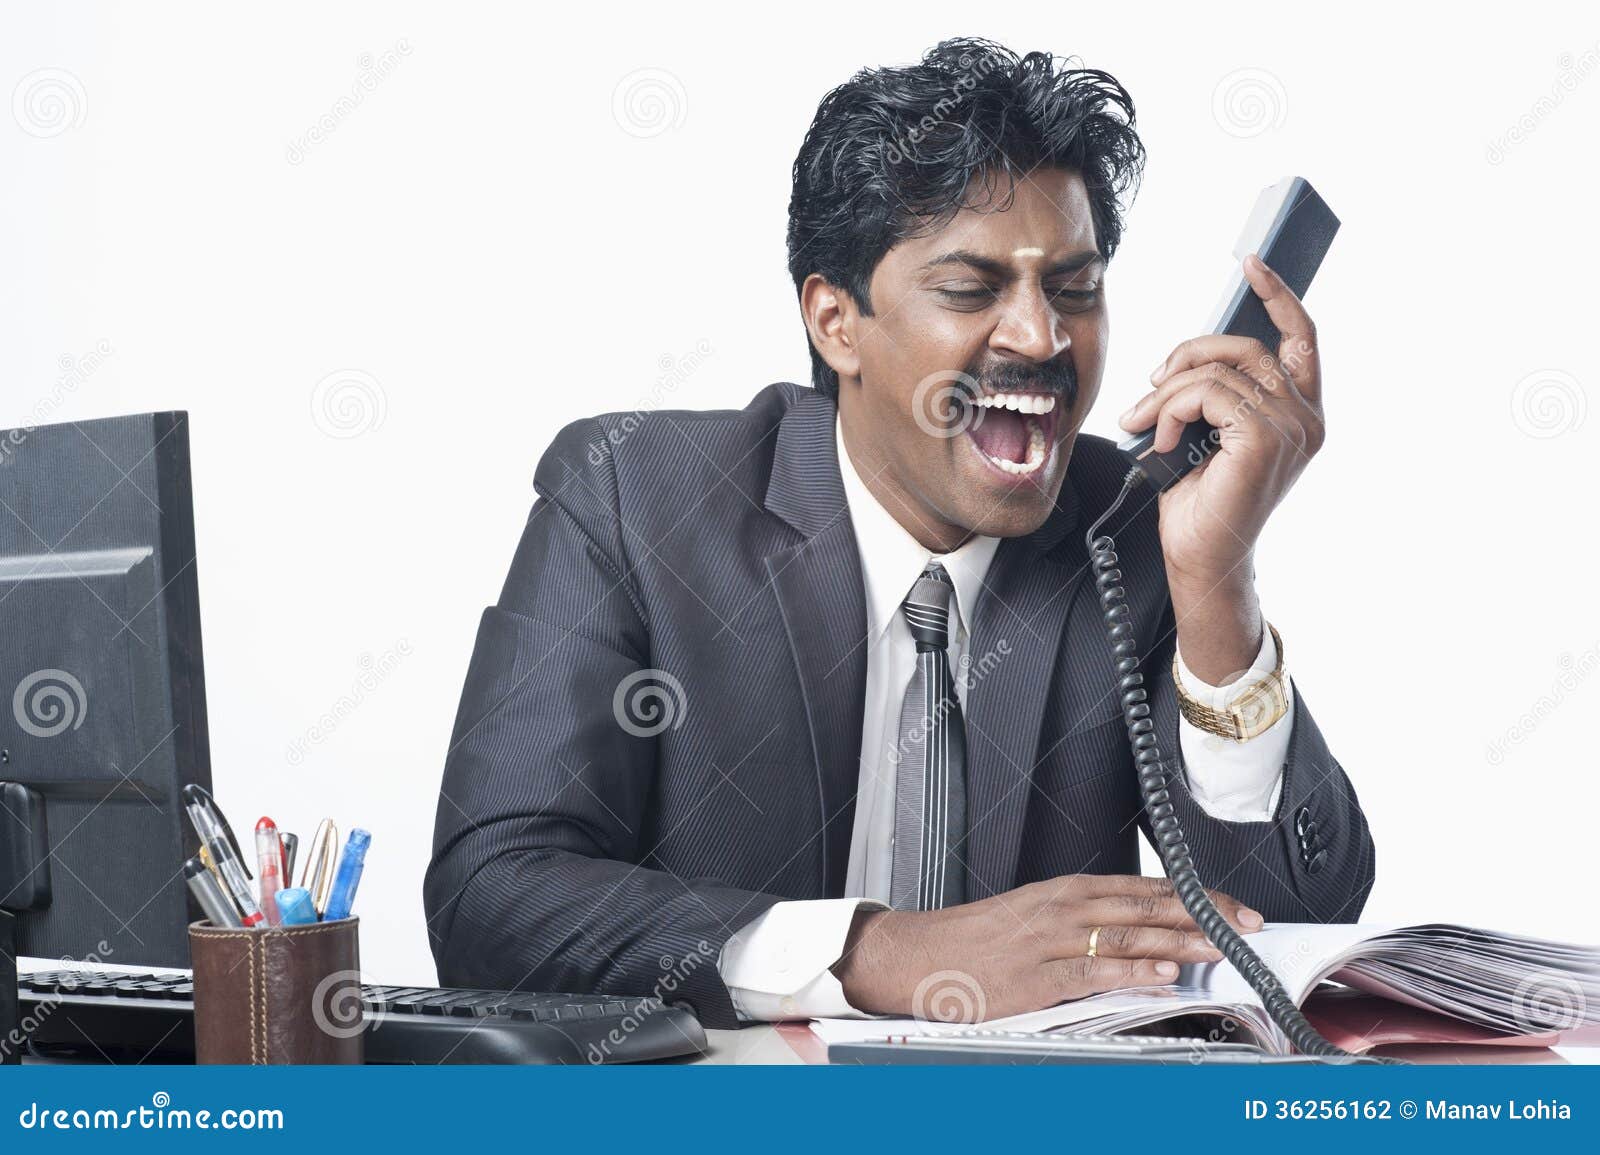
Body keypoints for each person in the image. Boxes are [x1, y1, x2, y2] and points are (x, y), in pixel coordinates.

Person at [424, 37, 1374, 1030]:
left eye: (1074, 289)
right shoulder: (634, 500)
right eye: (969, 291)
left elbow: (1293, 933)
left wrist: (1215, 582)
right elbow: (492, 897)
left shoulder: (1128, 527)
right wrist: (873, 952)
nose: (1041, 338)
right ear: (837, 321)